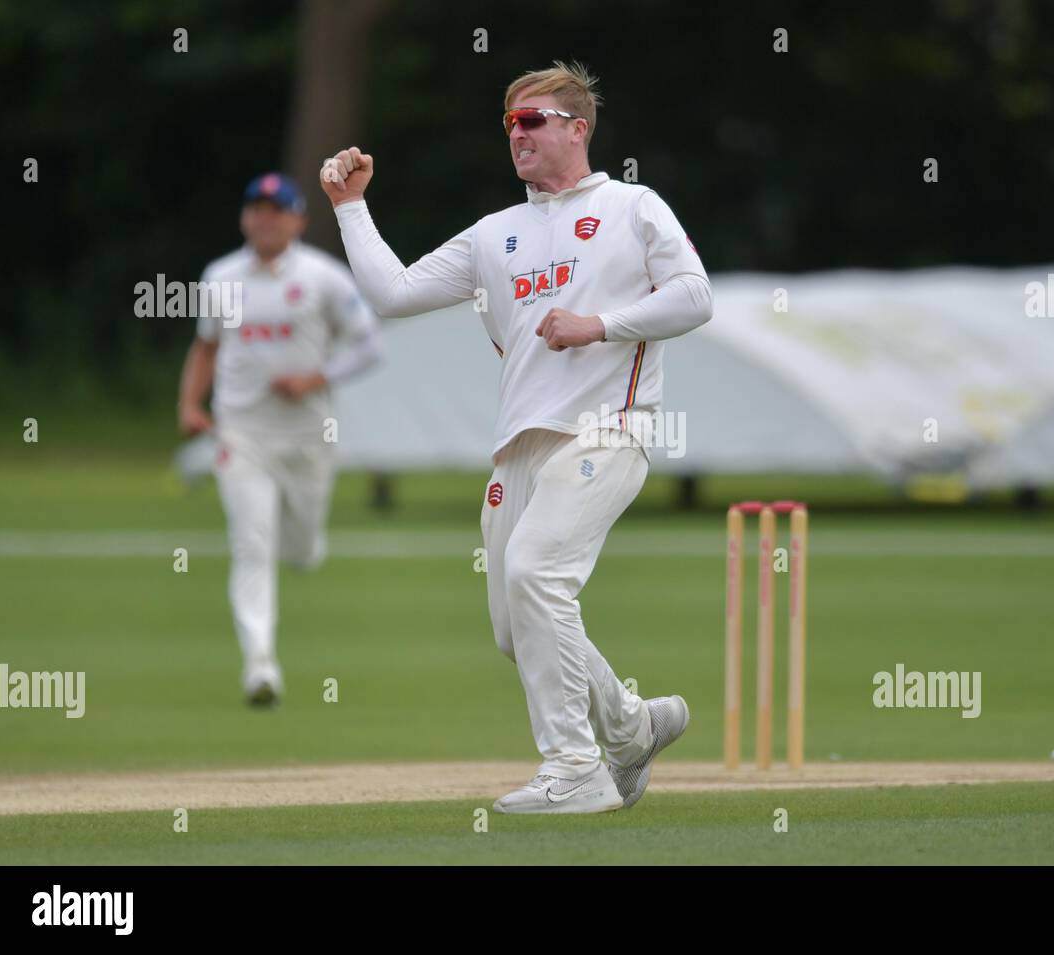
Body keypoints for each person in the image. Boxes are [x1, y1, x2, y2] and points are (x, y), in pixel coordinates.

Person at [320, 61, 711, 813]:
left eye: (533, 120)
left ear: (577, 128)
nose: (519, 135)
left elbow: (695, 296)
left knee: (537, 574)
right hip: (519, 445)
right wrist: (350, 206)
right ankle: (630, 728)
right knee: (517, 626)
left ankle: (576, 767)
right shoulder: (493, 234)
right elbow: (393, 292)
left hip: (607, 428)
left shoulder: (633, 207)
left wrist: (601, 324)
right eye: (509, 125)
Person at [178, 173, 383, 706]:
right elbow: (206, 347)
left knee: (301, 547)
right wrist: (189, 405)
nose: (265, 217)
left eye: (277, 208)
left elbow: (368, 348)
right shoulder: (220, 275)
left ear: (299, 220)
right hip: (241, 432)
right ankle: (260, 666)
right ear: (246, 216)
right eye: (256, 208)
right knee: (252, 545)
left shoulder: (324, 277)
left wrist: (311, 380)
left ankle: (307, 547)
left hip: (308, 435)